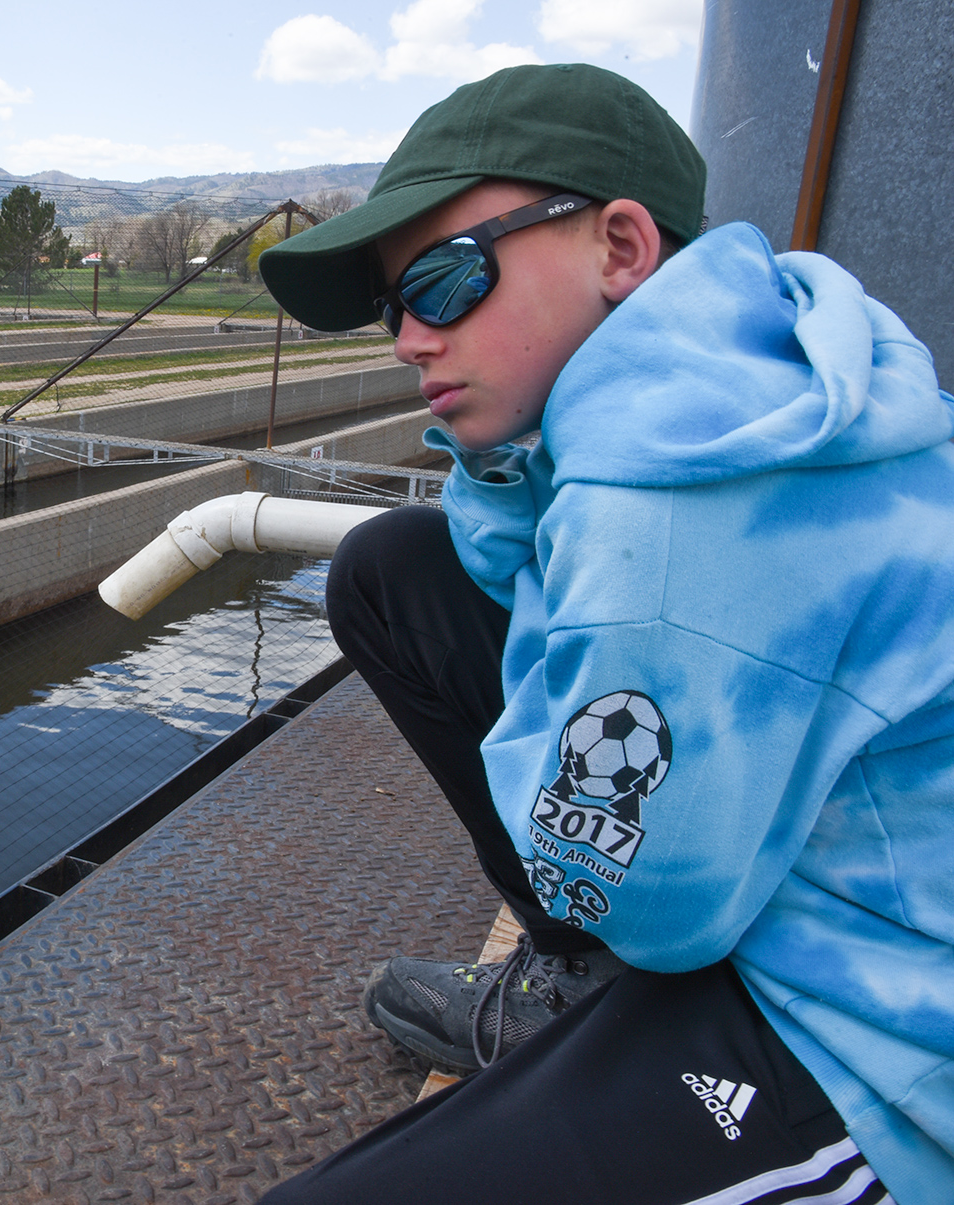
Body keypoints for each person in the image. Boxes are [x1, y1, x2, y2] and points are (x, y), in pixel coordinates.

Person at [254, 63, 954, 1204]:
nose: (409, 337)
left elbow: (653, 917)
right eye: (394, 307)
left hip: (883, 1026)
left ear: (620, 248)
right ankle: (574, 983)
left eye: (443, 280)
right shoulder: (731, 366)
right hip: (809, 866)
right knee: (392, 566)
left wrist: (569, 802)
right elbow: (498, 565)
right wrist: (497, 451)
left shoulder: (662, 526)